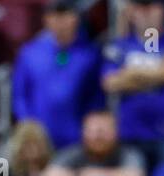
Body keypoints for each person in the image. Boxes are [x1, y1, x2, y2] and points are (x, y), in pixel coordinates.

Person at [101, 0, 164, 169]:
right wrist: (159, 72)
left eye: (151, 6)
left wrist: (131, 73)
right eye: (141, 7)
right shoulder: (119, 45)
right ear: (132, 12)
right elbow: (110, 82)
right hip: (130, 132)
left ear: (162, 11)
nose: (147, 13)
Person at [12, 0, 104, 150]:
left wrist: (89, 129)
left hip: (77, 138)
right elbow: (20, 95)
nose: (60, 22)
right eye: (54, 16)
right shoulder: (29, 53)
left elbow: (96, 96)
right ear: (46, 19)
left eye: (65, 15)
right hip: (38, 139)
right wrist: (28, 126)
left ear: (76, 18)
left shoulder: (90, 54)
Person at [48, 110, 147, 176]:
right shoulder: (74, 152)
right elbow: (51, 174)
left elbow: (134, 175)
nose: (97, 137)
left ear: (116, 132)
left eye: (103, 131)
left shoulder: (128, 153)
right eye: (92, 131)